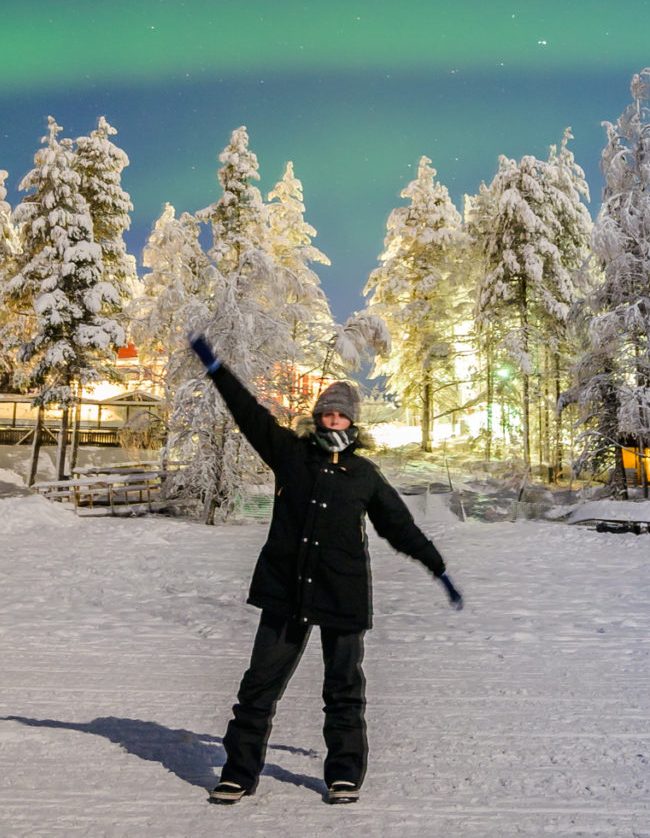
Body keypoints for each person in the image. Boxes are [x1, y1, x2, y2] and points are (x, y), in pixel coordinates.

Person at [188, 333, 462, 806]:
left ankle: (343, 775)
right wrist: (217, 372)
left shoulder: (364, 476)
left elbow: (399, 527)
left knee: (343, 689)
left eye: (340, 414)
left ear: (353, 421)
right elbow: (249, 412)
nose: (332, 420)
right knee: (258, 687)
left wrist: (437, 567)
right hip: (285, 590)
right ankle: (238, 773)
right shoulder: (290, 455)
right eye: (326, 413)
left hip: (342, 593)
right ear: (316, 417)